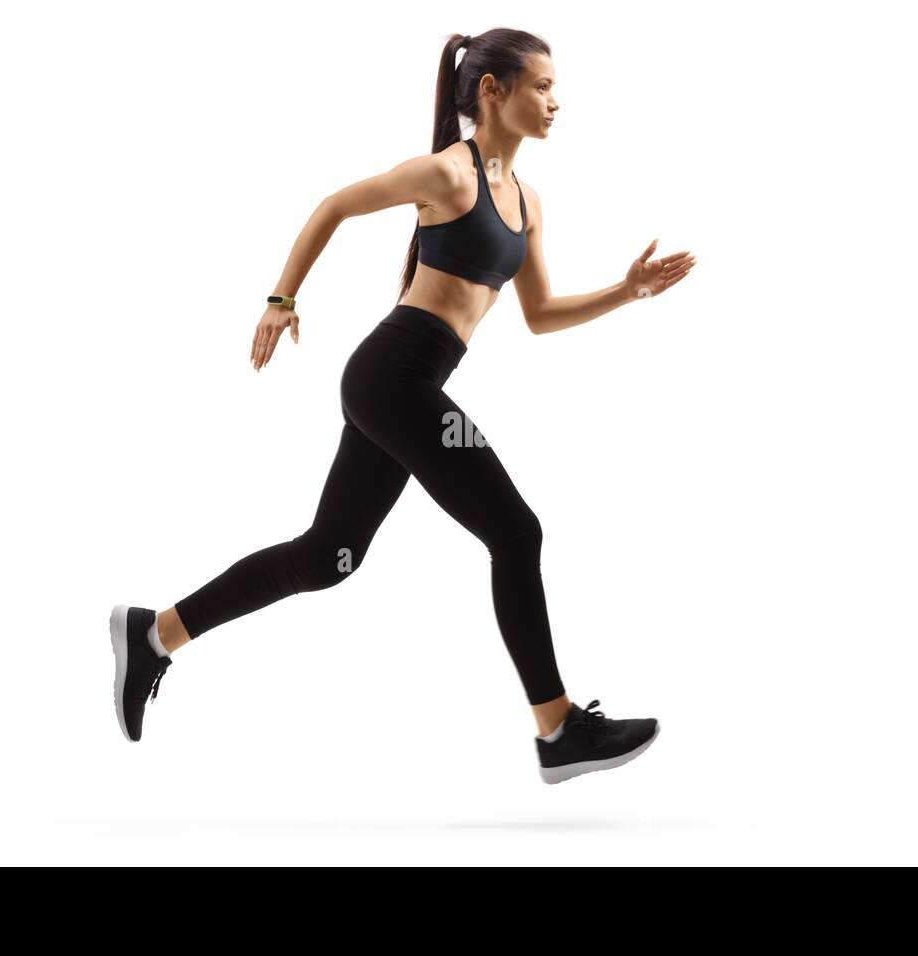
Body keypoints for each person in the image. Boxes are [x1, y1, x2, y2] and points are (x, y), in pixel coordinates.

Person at [110, 28, 696, 784]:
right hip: (394, 378)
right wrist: (281, 299)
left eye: (555, 88)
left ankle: (153, 635)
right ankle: (556, 728)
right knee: (516, 533)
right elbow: (335, 205)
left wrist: (627, 289)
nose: (556, 101)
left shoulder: (527, 201)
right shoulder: (447, 175)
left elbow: (540, 313)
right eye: (542, 86)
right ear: (492, 90)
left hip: (410, 386)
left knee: (329, 556)